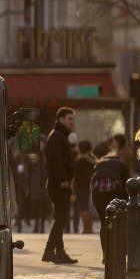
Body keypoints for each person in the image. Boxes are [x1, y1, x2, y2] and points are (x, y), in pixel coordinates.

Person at [43, 107, 78, 264]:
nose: (72, 122)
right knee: (61, 218)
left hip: (59, 183)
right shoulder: (57, 136)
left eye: (73, 119)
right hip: (59, 184)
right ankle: (49, 250)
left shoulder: (61, 136)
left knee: (60, 218)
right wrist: (64, 179)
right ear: (61, 119)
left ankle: (60, 252)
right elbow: (56, 162)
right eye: (69, 118)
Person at [91, 151, 130, 260]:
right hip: (113, 188)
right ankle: (121, 252)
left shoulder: (99, 164)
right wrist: (126, 202)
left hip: (97, 191)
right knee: (119, 222)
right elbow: (128, 184)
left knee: (104, 223)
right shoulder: (122, 164)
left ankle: (106, 255)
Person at [73, 140, 96, 234]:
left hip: (80, 186)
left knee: (83, 207)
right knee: (85, 206)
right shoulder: (91, 159)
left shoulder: (81, 160)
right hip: (86, 185)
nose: (77, 149)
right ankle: (88, 227)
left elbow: (73, 171)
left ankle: (87, 228)